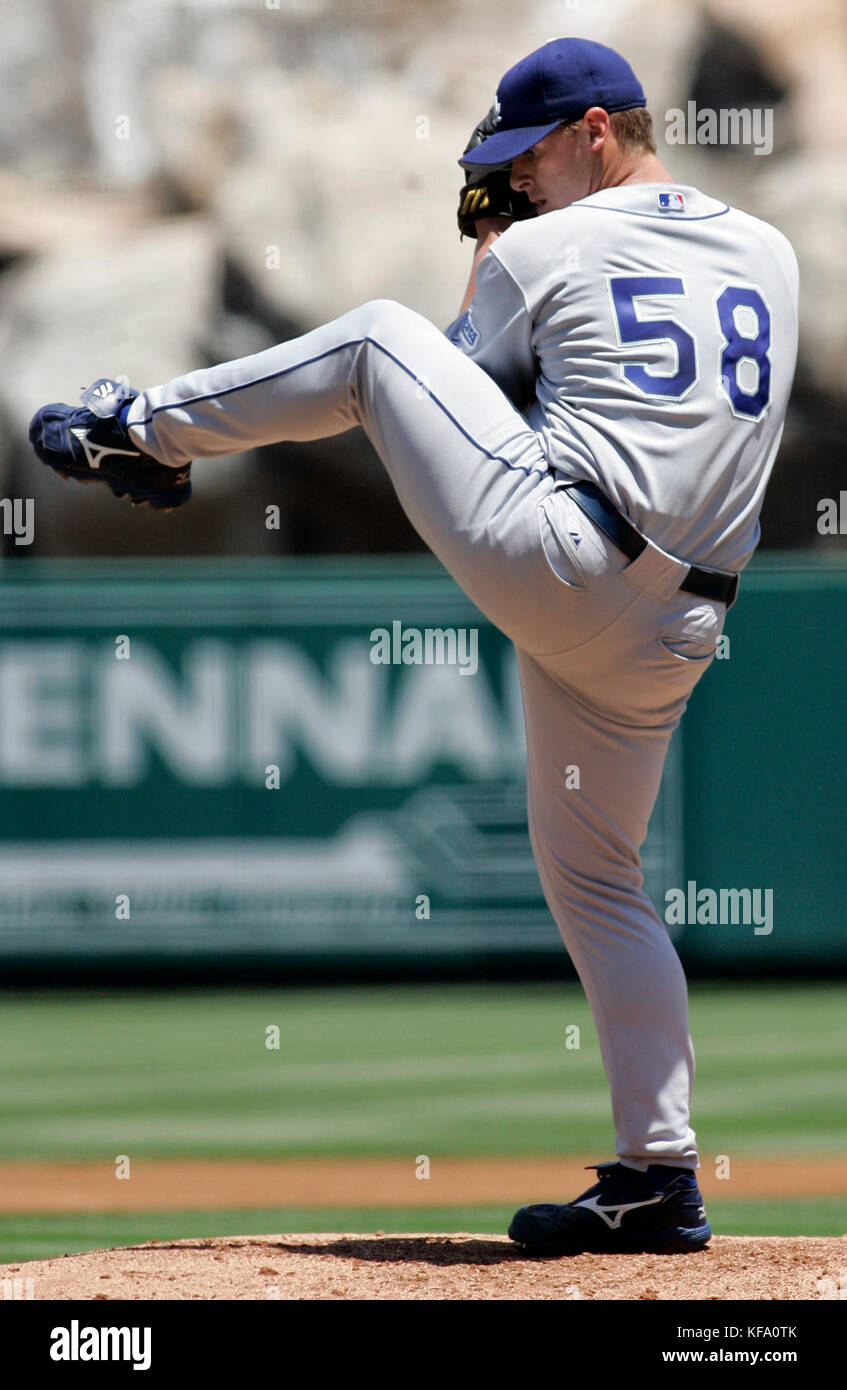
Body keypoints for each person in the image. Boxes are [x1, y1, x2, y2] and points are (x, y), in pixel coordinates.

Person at [29, 37, 798, 1255]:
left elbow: (443, 382)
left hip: (564, 552)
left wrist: (490, 263)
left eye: (527, 156)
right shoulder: (771, 247)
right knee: (601, 883)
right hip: (681, 624)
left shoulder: (547, 244)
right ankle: (658, 1177)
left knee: (379, 339)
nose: (516, 181)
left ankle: (145, 431)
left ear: (595, 130)